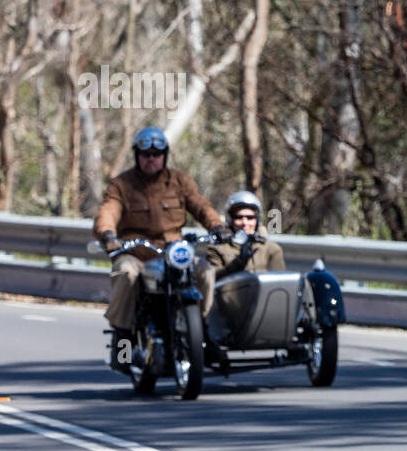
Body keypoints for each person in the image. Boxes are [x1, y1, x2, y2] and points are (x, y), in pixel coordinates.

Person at [93, 127, 228, 362]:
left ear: (165, 154)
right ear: (137, 155)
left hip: (172, 252)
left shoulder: (180, 181)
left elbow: (201, 206)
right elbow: (108, 211)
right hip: (135, 252)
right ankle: (122, 337)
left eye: (157, 153)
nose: (151, 159)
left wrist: (218, 227)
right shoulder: (122, 185)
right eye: (146, 154)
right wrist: (108, 235)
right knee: (125, 272)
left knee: (205, 270)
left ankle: (201, 330)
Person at [206, 191, 286, 279]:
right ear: (230, 219)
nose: (245, 223)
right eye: (239, 217)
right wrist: (238, 263)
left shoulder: (271, 249)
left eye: (250, 218)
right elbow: (212, 281)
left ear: (257, 220)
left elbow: (279, 284)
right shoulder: (216, 249)